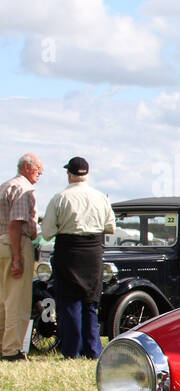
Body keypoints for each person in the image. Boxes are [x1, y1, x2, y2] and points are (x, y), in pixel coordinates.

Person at [41, 157, 115, 359]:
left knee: (70, 302)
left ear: (69, 174)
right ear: (87, 174)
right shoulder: (101, 197)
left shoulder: (61, 197)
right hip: (93, 252)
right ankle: (92, 349)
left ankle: (72, 351)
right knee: (91, 302)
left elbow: (47, 232)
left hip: (69, 251)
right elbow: (111, 227)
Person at [1, 153, 43, 361]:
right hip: (14, 243)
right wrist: (17, 257)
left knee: (3, 299)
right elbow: (16, 223)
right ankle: (12, 350)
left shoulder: (5, 185)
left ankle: (3, 346)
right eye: (37, 170)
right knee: (17, 301)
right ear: (27, 167)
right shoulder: (24, 189)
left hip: (2, 242)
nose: (40, 173)